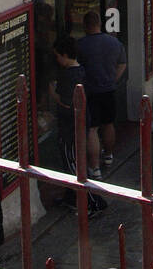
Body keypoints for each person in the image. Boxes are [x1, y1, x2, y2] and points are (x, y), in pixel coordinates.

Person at [44, 36, 106, 214]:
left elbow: (66, 103)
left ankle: (94, 202)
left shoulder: (68, 76)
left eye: (57, 56)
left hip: (70, 130)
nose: (57, 60)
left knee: (74, 169)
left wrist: (52, 93)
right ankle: (71, 198)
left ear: (64, 55)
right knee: (73, 165)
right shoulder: (81, 71)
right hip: (78, 127)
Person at [75, 9, 127, 176]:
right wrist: (114, 79)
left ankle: (95, 167)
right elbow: (122, 64)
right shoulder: (114, 43)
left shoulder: (80, 45)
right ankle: (109, 155)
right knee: (108, 123)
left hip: (90, 91)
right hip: (108, 89)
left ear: (85, 26)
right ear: (99, 23)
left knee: (92, 129)